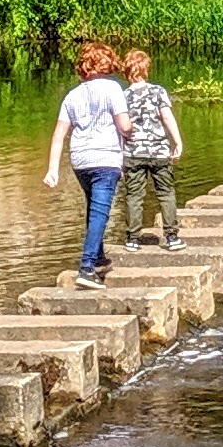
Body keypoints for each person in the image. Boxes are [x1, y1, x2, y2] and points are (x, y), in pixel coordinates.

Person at [43, 41, 132, 283]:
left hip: (81, 160)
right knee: (100, 212)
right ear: (109, 63)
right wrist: (132, 131)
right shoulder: (113, 89)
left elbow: (59, 134)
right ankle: (87, 267)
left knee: (94, 208)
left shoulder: (72, 95)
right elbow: (124, 126)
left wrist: (52, 170)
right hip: (105, 157)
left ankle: (100, 258)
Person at [119, 48, 185, 250]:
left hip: (133, 153)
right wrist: (178, 141)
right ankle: (172, 236)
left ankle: (132, 238)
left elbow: (121, 127)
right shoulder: (158, 91)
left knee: (134, 196)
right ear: (146, 69)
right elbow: (166, 117)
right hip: (159, 151)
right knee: (166, 192)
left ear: (127, 72)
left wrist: (119, 153)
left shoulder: (123, 96)